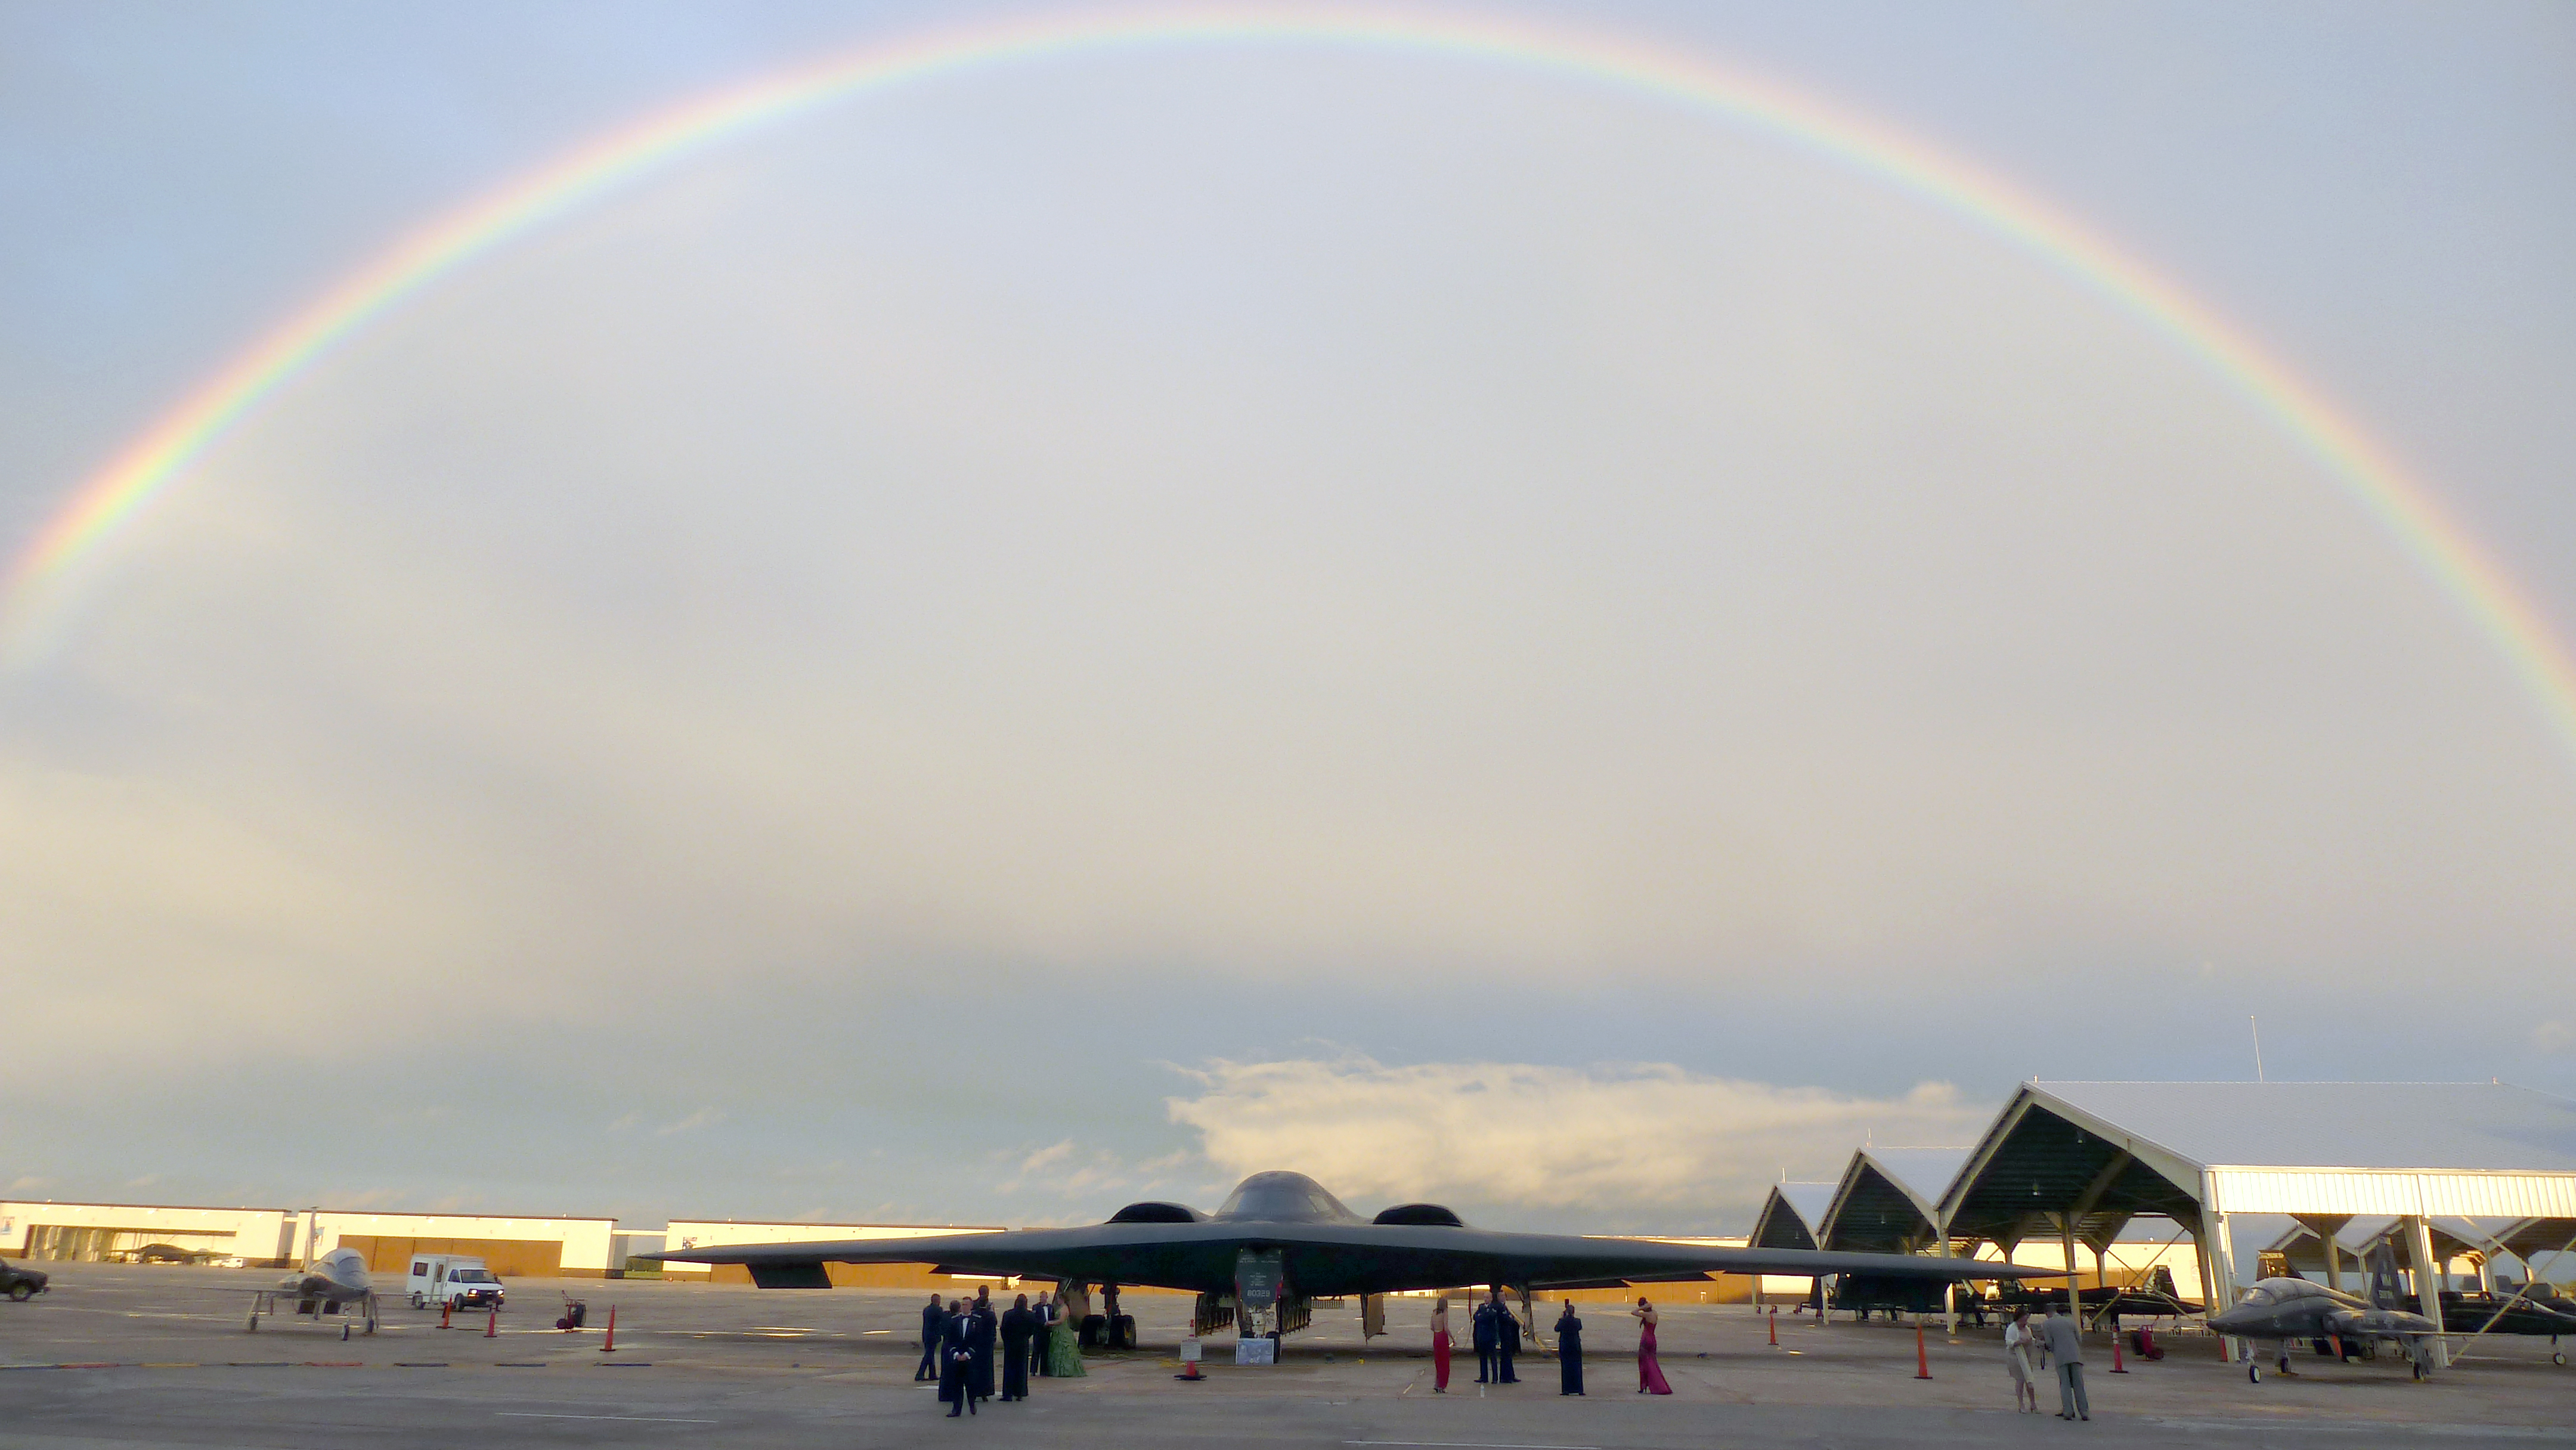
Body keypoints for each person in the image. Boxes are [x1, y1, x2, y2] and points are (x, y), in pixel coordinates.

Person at [2038, 1306, 2089, 1421]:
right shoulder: (2070, 1321)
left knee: (2065, 1385)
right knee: (2078, 1385)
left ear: (2047, 1313)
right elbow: (2079, 1340)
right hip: (2075, 1356)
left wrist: (2041, 1345)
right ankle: (2084, 1412)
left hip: (2061, 1357)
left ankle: (2068, 1412)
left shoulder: (2047, 1324)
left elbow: (2049, 1344)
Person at [937, 1299, 975, 1417]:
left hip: (969, 1358)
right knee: (957, 1385)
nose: (964, 1307)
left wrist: (968, 1354)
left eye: (966, 1305)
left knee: (970, 1384)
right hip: (957, 1358)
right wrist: (956, 1354)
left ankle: (972, 1404)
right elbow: (950, 1340)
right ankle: (956, 1409)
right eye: (963, 1305)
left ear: (971, 1307)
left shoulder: (977, 1321)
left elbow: (978, 1341)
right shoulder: (954, 1321)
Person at [1632, 1297, 1673, 1395]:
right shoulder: (1654, 1313)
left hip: (1646, 1339)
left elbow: (1633, 1312)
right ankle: (1647, 1386)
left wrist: (1642, 1308)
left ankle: (1645, 1386)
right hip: (1652, 1339)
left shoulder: (1647, 1315)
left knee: (1644, 1363)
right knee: (1652, 1362)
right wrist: (1647, 1306)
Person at [999, 1293, 1035, 1402]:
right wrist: (1025, 1338)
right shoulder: (1030, 1315)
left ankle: (1008, 1394)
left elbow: (1003, 1329)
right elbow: (1032, 1330)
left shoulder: (1008, 1314)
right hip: (1023, 1344)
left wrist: (1007, 1341)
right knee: (1022, 1368)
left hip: (1010, 1344)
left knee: (1009, 1369)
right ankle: (1020, 1393)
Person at [2004, 1308, 2040, 1413]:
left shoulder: (2027, 1329)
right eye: (2023, 1320)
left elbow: (2032, 1339)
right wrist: (2020, 1342)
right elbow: (2009, 1342)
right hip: (2016, 1357)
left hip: (2027, 1357)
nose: (2024, 1323)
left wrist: (2033, 1341)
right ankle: (2021, 1404)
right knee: (2020, 1380)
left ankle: (2033, 1404)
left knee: (2030, 1380)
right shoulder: (2012, 1329)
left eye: (2026, 1320)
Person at [1046, 1287, 1088, 1378]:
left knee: (1064, 1351)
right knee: (1059, 1351)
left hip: (1062, 1330)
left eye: (1058, 1299)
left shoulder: (1064, 1309)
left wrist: (1050, 1323)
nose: (1057, 1300)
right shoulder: (1063, 1308)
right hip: (1059, 1331)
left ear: (1062, 1300)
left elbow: (1061, 1320)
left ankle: (1065, 1370)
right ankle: (1060, 1370)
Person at [967, 1294, 998, 1407]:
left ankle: (974, 1392)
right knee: (986, 1370)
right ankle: (985, 1393)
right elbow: (995, 1323)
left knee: (975, 1369)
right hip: (987, 1346)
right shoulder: (990, 1315)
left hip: (976, 1345)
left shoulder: (974, 1315)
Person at [1554, 1299, 1584, 1396]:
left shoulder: (1563, 1321)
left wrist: (1562, 1318)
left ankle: (1566, 1389)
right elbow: (1580, 1328)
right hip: (1575, 1346)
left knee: (1566, 1368)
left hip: (1565, 1346)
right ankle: (1579, 1389)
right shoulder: (1577, 1321)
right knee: (1577, 1368)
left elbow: (1557, 1329)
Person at [917, 1291, 946, 1382]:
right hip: (933, 1336)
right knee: (929, 1355)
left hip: (926, 1334)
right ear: (938, 1301)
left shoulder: (926, 1309)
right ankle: (920, 1374)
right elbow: (942, 1321)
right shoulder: (938, 1310)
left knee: (930, 1354)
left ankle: (932, 1374)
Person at [1496, 1291, 1522, 1384]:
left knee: (1509, 1356)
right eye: (1501, 1296)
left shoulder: (1505, 1307)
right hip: (1504, 1335)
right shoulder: (1500, 1307)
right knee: (1505, 1356)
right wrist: (1510, 1318)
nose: (1503, 1298)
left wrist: (1510, 1318)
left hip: (1509, 1335)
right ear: (1498, 1298)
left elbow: (1511, 1319)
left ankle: (1511, 1375)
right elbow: (1507, 1319)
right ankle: (1505, 1377)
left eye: (1504, 1296)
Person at [1472, 1294, 1498, 1383]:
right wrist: (1482, 1316)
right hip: (1482, 1336)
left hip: (1490, 1337)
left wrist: (1482, 1316)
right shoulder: (1481, 1307)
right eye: (1485, 1297)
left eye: (1488, 1297)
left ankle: (1495, 1378)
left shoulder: (1493, 1308)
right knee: (1482, 1358)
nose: (1486, 1299)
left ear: (1491, 1299)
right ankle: (1484, 1377)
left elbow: (1489, 1317)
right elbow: (1475, 1317)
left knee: (1493, 1358)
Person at [1430, 1296, 1453, 1393]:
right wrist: (1453, 1339)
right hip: (1443, 1337)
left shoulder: (1434, 1312)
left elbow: (1431, 1327)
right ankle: (1442, 1385)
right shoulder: (1445, 1313)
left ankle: (1437, 1383)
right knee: (1445, 1363)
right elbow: (1446, 1328)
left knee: (1438, 1362)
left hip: (1436, 1336)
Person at [1029, 1291, 1054, 1377]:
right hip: (1039, 1332)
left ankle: (1044, 1371)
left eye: (1044, 1297)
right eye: (1041, 1297)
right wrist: (1043, 1323)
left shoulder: (1051, 1307)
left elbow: (1052, 1317)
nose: (1042, 1299)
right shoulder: (1035, 1307)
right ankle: (1033, 1370)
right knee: (1036, 1352)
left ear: (1047, 1297)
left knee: (1045, 1352)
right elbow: (1034, 1319)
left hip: (1047, 1332)